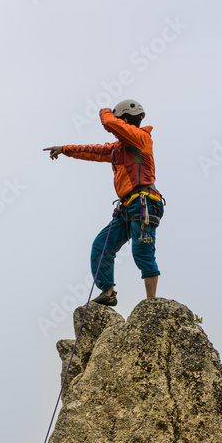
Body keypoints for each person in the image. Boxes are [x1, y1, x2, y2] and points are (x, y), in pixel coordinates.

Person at [44, 99, 165, 304]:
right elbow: (91, 151)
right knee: (101, 246)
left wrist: (104, 111)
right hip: (128, 206)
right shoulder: (117, 149)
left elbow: (110, 124)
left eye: (120, 122)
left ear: (124, 120)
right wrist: (64, 149)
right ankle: (108, 293)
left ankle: (152, 304)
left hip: (145, 201)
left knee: (141, 250)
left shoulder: (141, 138)